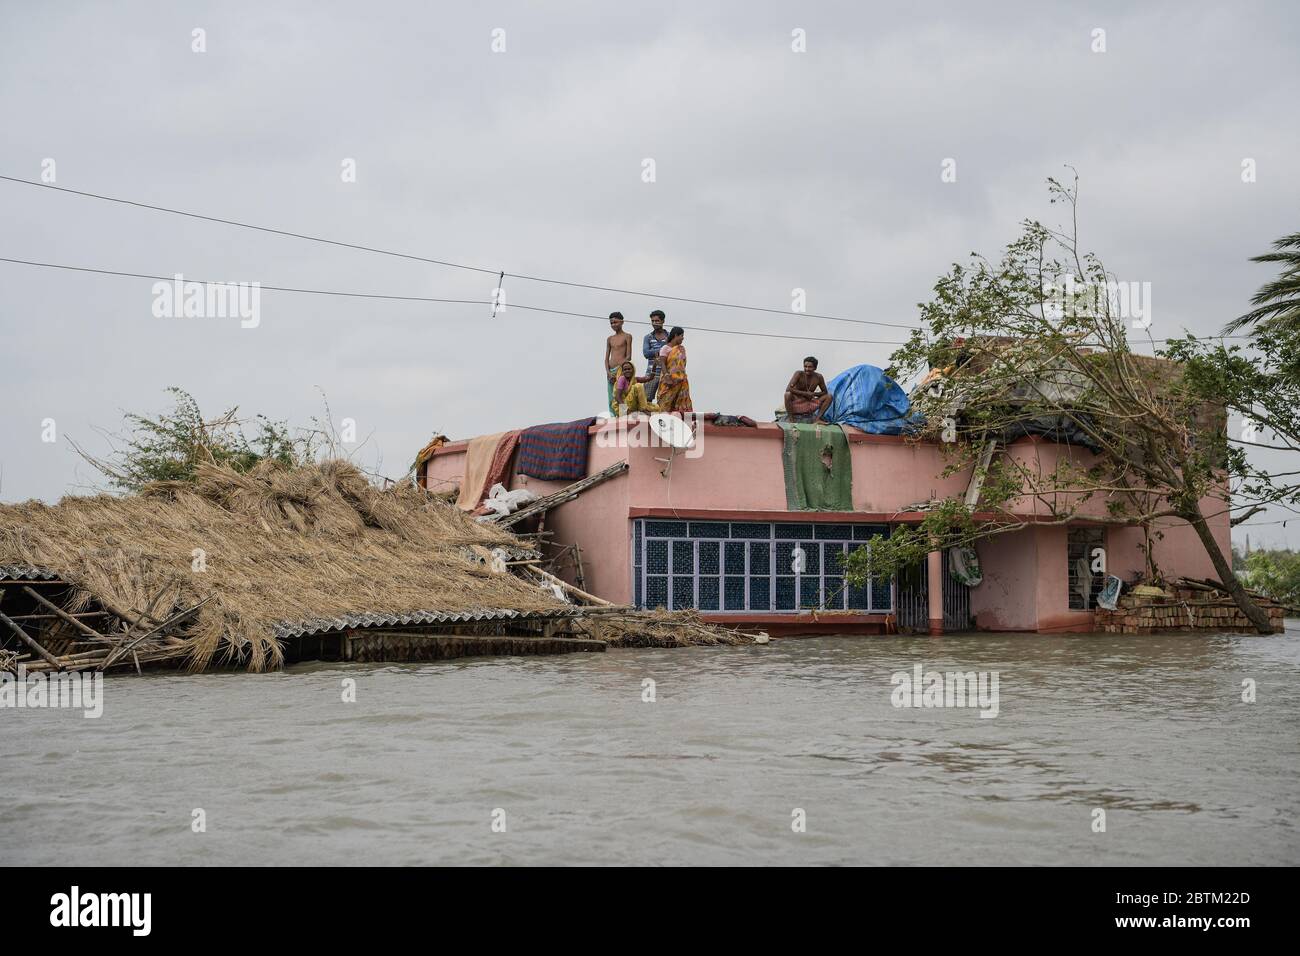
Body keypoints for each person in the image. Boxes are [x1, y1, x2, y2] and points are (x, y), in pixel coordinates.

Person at [655, 327, 693, 412]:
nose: (683, 338)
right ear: (676, 335)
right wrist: (667, 376)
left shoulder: (681, 349)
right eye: (681, 336)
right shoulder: (665, 348)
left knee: (678, 407)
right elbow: (662, 363)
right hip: (669, 381)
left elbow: (683, 365)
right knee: (665, 403)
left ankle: (678, 422)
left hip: (681, 381)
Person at [784, 356, 832, 422]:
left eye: (810, 367)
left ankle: (817, 419)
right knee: (787, 394)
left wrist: (813, 394)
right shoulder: (799, 374)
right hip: (797, 401)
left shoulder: (819, 377)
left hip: (809, 402)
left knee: (829, 396)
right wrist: (805, 393)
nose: (807, 369)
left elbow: (825, 392)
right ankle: (791, 420)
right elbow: (788, 388)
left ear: (815, 368)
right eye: (805, 366)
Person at [604, 312, 633, 414]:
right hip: (610, 372)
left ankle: (624, 415)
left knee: (621, 394)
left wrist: (619, 370)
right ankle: (613, 417)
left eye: (615, 322)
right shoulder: (609, 339)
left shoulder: (627, 336)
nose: (613, 325)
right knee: (611, 396)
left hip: (621, 370)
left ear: (622, 322)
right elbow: (606, 358)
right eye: (611, 323)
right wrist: (608, 373)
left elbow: (628, 356)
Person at [641, 309, 670, 401]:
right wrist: (663, 349)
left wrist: (653, 351)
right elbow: (646, 353)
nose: (654, 323)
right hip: (651, 373)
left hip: (666, 373)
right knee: (646, 399)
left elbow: (672, 353)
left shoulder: (670, 336)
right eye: (652, 321)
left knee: (665, 400)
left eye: (657, 321)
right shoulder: (648, 337)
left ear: (663, 321)